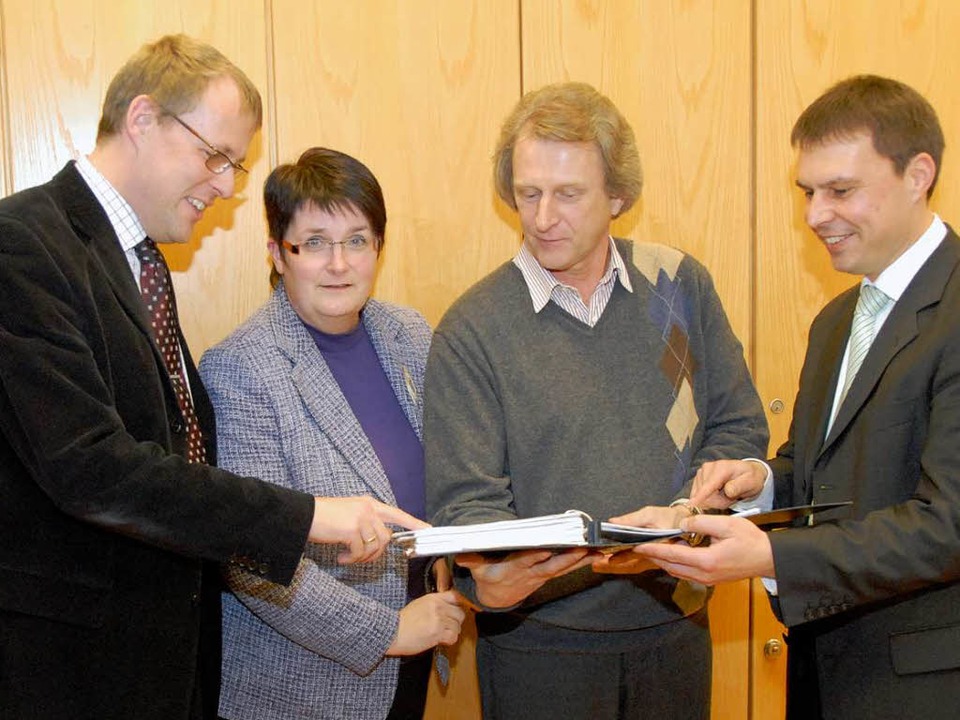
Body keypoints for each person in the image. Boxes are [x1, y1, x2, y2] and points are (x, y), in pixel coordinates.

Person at [0, 35, 422, 720]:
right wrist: (309, 515)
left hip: (161, 667)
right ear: (143, 120)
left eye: (235, 165)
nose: (227, 187)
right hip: (71, 672)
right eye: (216, 157)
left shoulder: (138, 260)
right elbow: (91, 467)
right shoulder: (22, 243)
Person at [423, 81, 770, 720]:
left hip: (678, 628)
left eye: (569, 194)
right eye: (528, 194)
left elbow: (738, 427)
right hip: (540, 648)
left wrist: (699, 499)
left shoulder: (678, 284)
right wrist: (496, 567)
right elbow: (466, 504)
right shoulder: (472, 328)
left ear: (617, 196)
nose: (543, 216)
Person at [635, 75, 960, 720]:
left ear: (918, 174)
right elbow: (826, 470)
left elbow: (947, 524)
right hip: (826, 673)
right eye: (807, 192)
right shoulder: (838, 319)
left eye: (840, 190)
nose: (814, 215)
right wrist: (758, 486)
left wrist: (771, 554)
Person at [199, 147, 465, 720]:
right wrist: (387, 630)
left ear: (378, 248)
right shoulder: (242, 368)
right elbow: (249, 557)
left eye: (357, 239)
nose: (339, 263)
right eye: (314, 242)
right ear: (278, 253)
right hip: (302, 688)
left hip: (413, 655)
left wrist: (445, 558)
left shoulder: (408, 333)